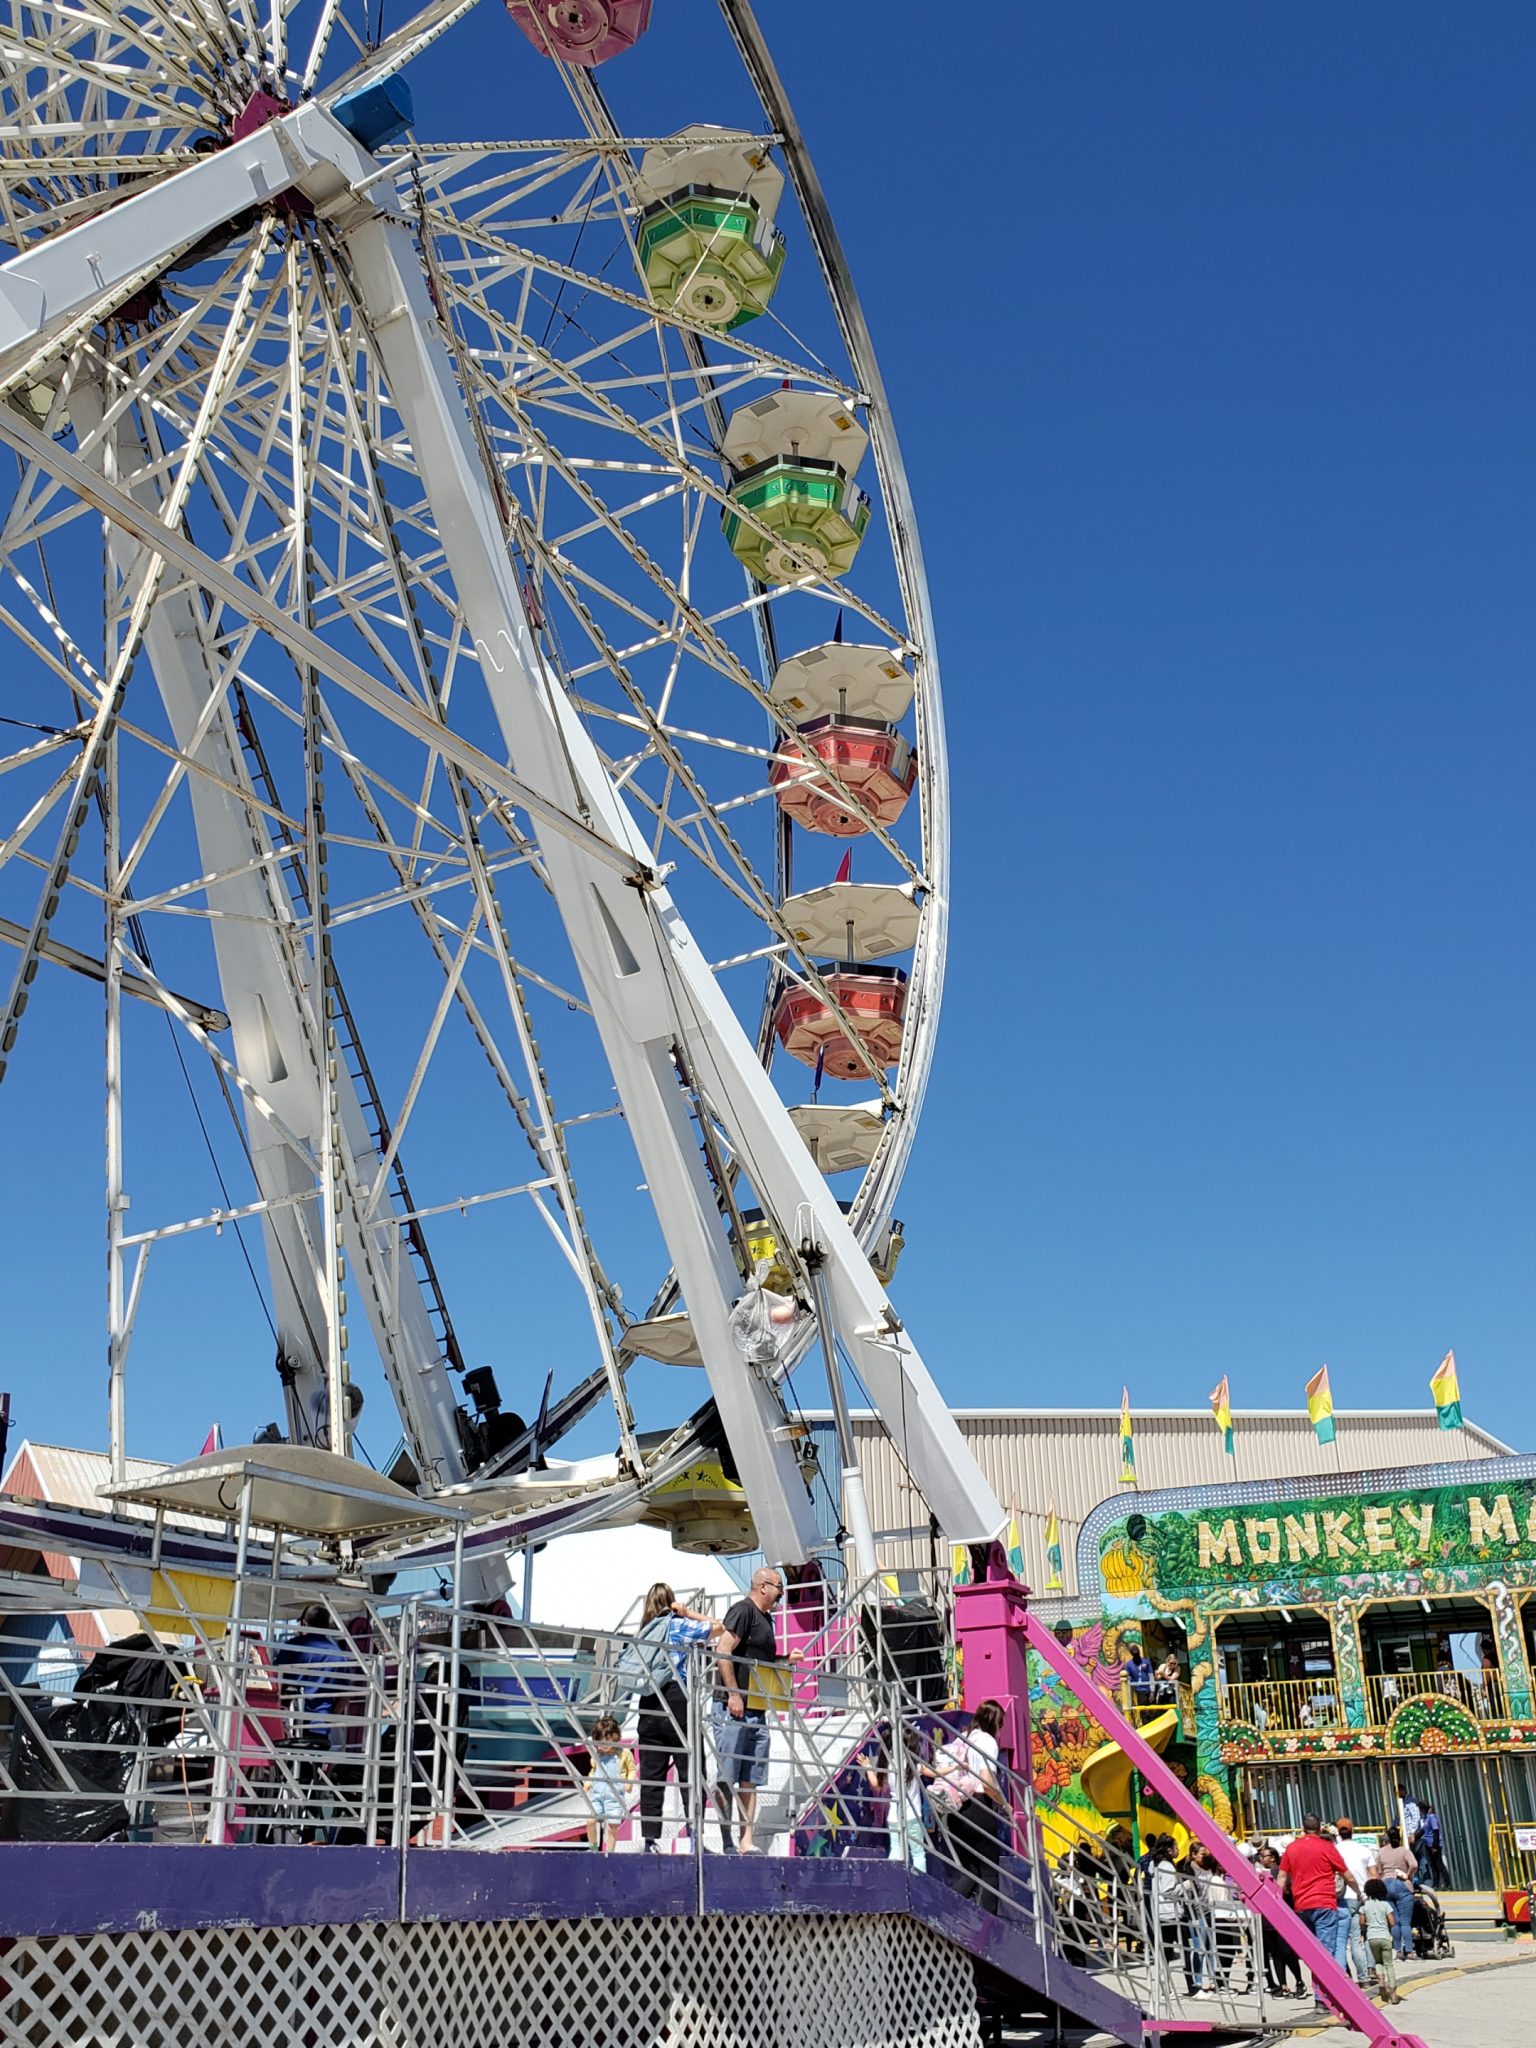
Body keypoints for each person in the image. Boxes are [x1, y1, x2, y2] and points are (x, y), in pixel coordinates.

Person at [629, 1582, 722, 1852]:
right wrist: (688, 1612)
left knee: (651, 1774)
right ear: (671, 1602)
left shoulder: (643, 1632)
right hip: (676, 1699)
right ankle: (696, 1838)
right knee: (691, 1771)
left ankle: (650, 1840)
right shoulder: (676, 1625)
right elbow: (718, 1627)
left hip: (648, 1703)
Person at [712, 1565, 798, 1854]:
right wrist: (733, 1694)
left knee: (751, 1776)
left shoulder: (766, 1619)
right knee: (728, 1772)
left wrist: (785, 1660)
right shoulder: (743, 1610)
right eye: (778, 1587)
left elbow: (761, 1660)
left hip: (757, 1708)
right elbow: (723, 1650)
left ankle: (746, 1839)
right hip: (733, 1707)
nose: (781, 1594)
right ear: (763, 1586)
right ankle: (726, 1840)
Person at [930, 1698, 1009, 1905]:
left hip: (958, 1808)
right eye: (1000, 1726)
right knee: (990, 1874)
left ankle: (947, 1911)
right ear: (994, 1722)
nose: (1000, 1732)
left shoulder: (964, 1738)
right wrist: (1004, 1803)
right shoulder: (987, 1741)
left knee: (970, 1873)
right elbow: (987, 1780)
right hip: (979, 1806)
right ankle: (988, 1930)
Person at [1277, 1812, 1352, 2017]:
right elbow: (1346, 1874)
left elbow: (1282, 1877)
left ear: (1303, 1829)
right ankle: (1323, 1999)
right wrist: (1361, 1892)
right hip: (1325, 1904)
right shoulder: (1327, 1847)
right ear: (1320, 1829)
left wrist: (1277, 1900)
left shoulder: (1292, 1848)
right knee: (1326, 1954)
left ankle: (1322, 1997)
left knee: (1312, 1954)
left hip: (1302, 1906)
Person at [1332, 1818, 1379, 1986]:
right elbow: (1374, 1876)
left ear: (1338, 1832)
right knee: (1364, 1936)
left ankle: (1358, 1977)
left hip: (1344, 1897)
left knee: (1347, 1941)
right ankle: (1369, 1970)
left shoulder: (1334, 1850)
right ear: (1353, 1831)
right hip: (1363, 1897)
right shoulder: (1364, 1850)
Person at [1255, 1845, 1306, 1996]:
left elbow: (1285, 1892)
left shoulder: (1281, 1873)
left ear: (1272, 1857)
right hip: (1266, 1920)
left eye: (1264, 1856)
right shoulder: (1259, 1874)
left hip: (1282, 1918)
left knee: (1287, 1952)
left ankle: (1298, 1981)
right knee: (1275, 1954)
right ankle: (1282, 1984)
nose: (1261, 1858)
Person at [584, 1713, 630, 1850]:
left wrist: (629, 1782)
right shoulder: (597, 1755)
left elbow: (631, 1769)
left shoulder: (624, 1753)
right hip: (598, 1794)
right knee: (590, 1821)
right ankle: (593, 1847)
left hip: (614, 1796)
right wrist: (588, 1783)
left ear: (615, 1738)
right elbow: (594, 1770)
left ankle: (610, 1852)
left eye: (606, 1742)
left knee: (612, 1827)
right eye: (600, 1743)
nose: (603, 1746)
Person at [1374, 1824, 1418, 1960]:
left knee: (1394, 1922)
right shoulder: (1404, 1851)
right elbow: (1414, 1864)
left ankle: (1398, 1950)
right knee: (1405, 1922)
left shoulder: (1381, 1852)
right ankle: (1409, 1951)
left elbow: (1378, 1869)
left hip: (1386, 1885)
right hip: (1402, 1884)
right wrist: (1408, 1875)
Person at [1357, 1878, 1402, 2004]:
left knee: (1378, 1962)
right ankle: (1393, 1993)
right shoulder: (1385, 1905)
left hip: (1372, 1938)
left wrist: (1369, 1923)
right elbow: (1393, 1923)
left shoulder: (1364, 1906)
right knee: (1389, 1964)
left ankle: (1381, 1985)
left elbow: (1361, 1922)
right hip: (1384, 1937)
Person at [1419, 1801, 1447, 1889]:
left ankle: (1447, 1883)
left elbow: (1436, 1831)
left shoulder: (1432, 1817)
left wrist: (1435, 1846)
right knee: (1433, 1865)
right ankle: (1436, 1884)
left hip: (1434, 1844)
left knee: (1439, 1864)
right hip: (1427, 1844)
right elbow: (1423, 1830)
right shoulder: (1426, 1818)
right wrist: (1414, 1837)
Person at [1124, 1645, 1154, 1714]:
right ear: (1131, 1654)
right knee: (1144, 1713)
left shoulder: (1146, 1662)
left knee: (1152, 1712)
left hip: (1149, 1689)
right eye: (1134, 1654)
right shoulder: (1129, 1665)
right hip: (1140, 1691)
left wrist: (1152, 1691)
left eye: (1137, 1653)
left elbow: (1151, 1676)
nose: (1136, 1655)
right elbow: (1127, 1678)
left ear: (1139, 1652)